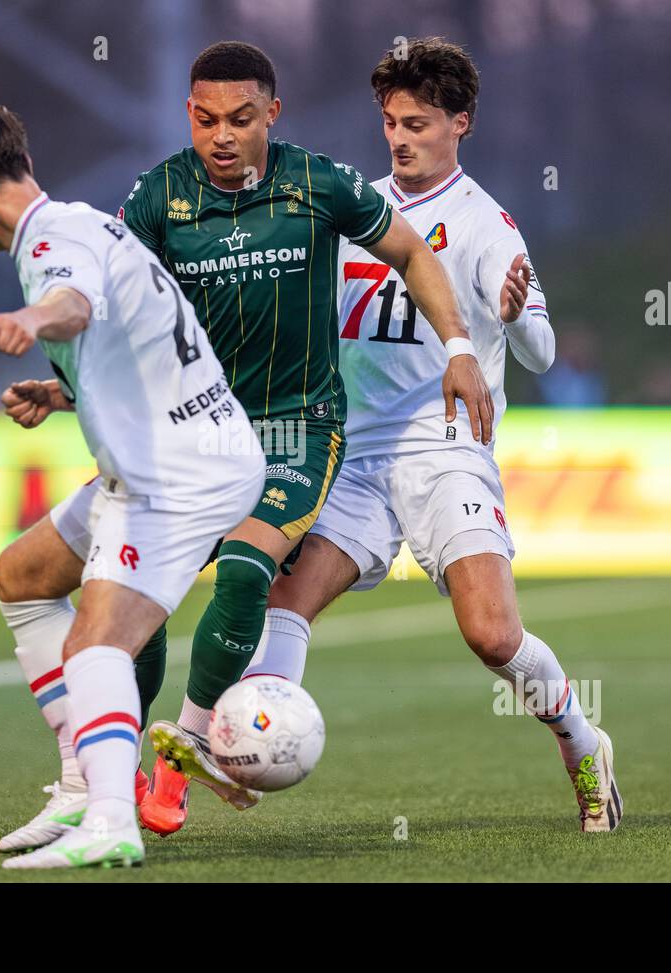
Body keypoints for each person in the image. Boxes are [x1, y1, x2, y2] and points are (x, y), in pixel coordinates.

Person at [238, 38, 622, 832]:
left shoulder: (487, 225)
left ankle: (583, 743)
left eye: (417, 123)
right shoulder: (354, 207)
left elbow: (544, 353)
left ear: (460, 124)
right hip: (351, 453)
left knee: (491, 635)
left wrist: (513, 317)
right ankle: (249, 744)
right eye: (389, 123)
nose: (399, 138)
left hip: (446, 452)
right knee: (288, 597)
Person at [115, 40, 497, 835]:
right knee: (137, 603)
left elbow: (412, 251)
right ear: (190, 114)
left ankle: (180, 752)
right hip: (193, 435)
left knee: (250, 570)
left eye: (242, 119)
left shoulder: (320, 184)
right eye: (207, 119)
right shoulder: (157, 198)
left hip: (298, 427)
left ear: (272, 115)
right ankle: (106, 768)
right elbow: (112, 306)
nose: (223, 135)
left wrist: (460, 347)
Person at [0, 99, 265, 868]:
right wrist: (62, 392)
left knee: (95, 643)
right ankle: (84, 779)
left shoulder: (48, 242)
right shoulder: (84, 220)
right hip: (177, 448)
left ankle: (113, 817)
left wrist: (31, 318)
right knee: (23, 574)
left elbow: (73, 307)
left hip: (176, 470)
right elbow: (138, 337)